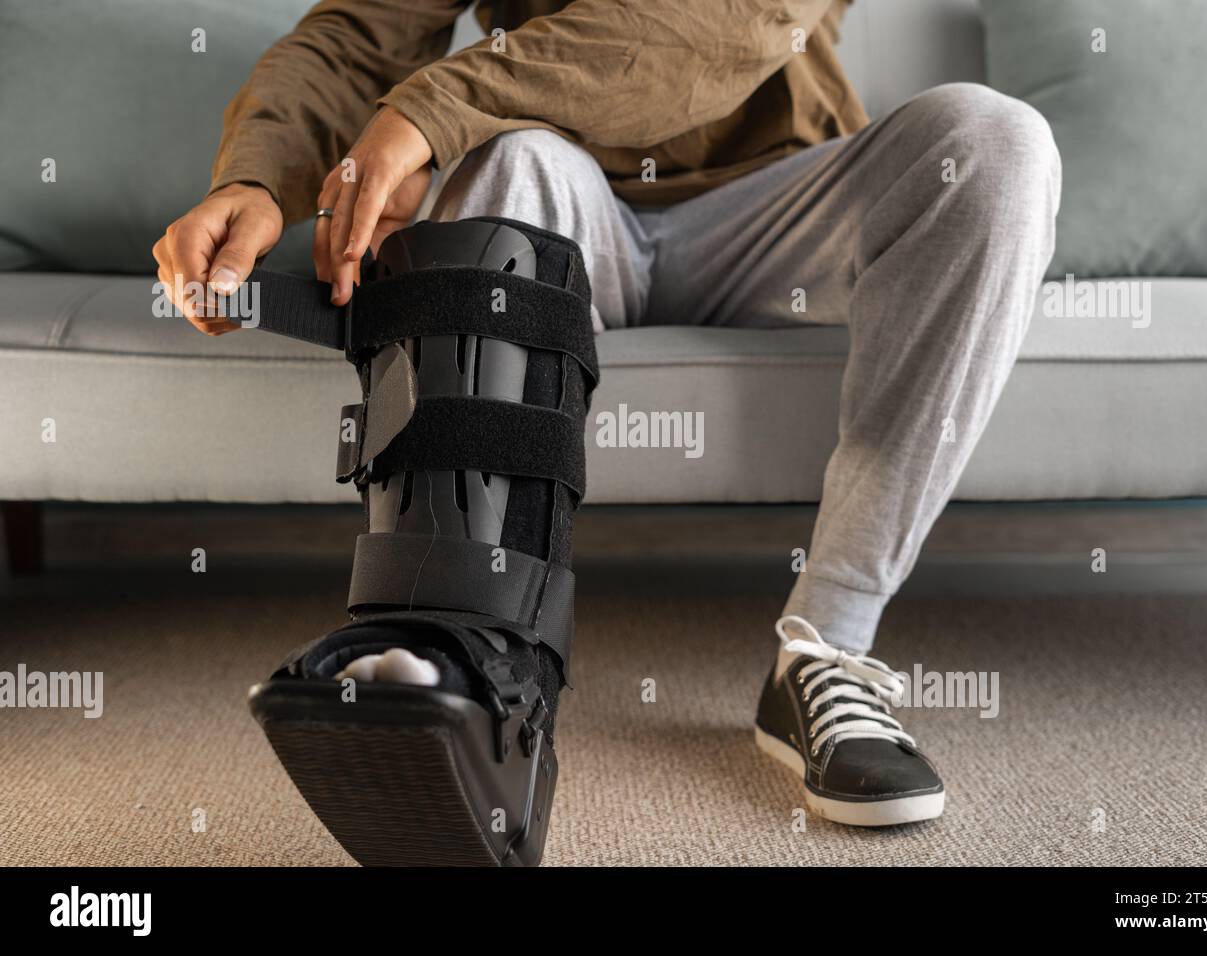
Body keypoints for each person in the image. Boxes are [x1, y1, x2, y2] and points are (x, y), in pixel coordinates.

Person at [154, 0, 1060, 832]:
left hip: (781, 210)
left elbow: (736, 18)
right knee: (509, 161)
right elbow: (359, 33)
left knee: (997, 139)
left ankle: (826, 652)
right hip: (567, 201)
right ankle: (468, 649)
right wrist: (261, 177)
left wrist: (433, 109)